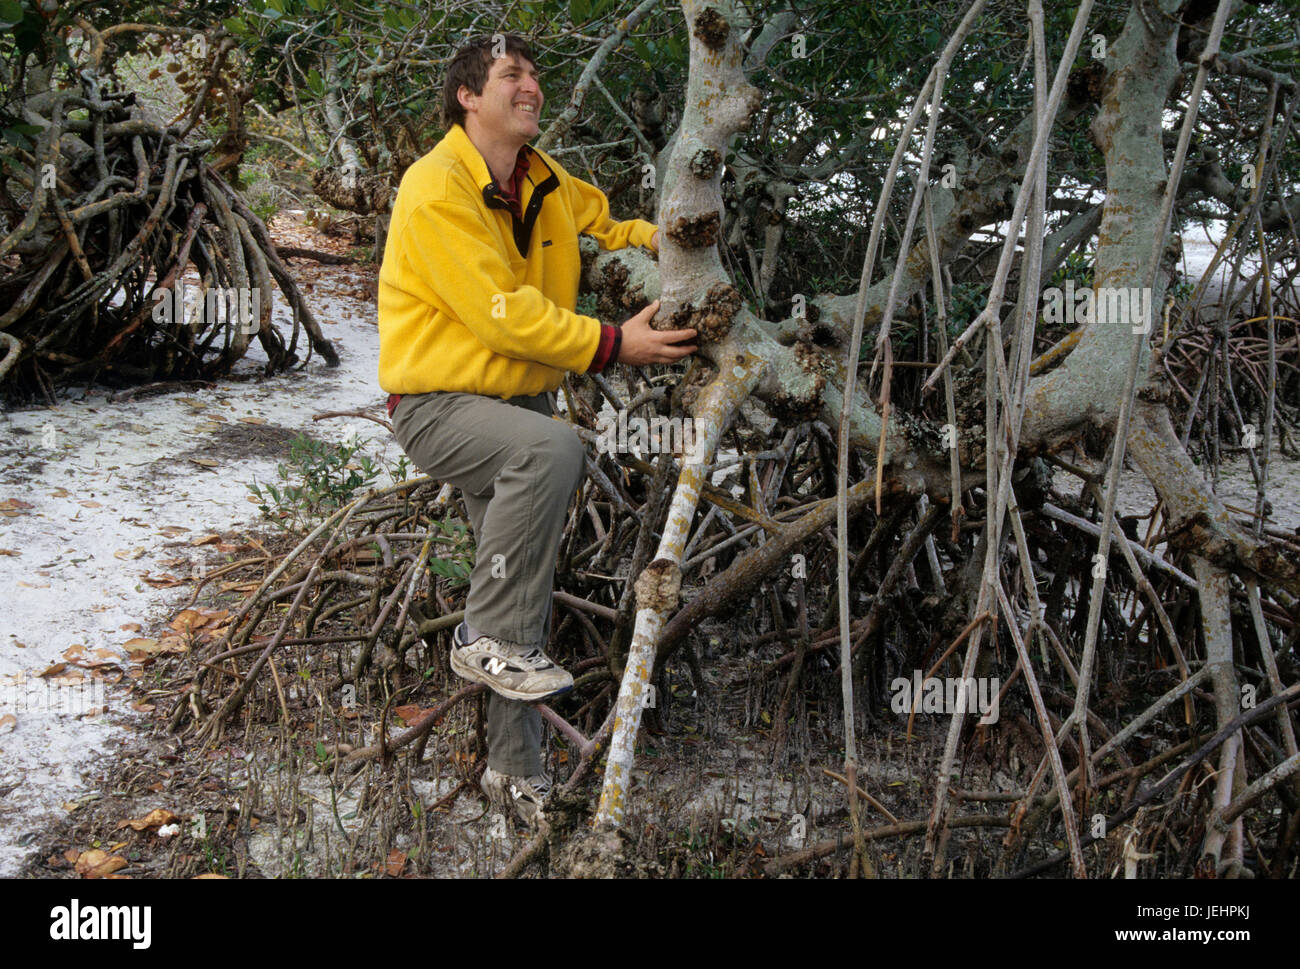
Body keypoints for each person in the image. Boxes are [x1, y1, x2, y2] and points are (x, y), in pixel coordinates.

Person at [377, 33, 697, 826]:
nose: (531, 88)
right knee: (554, 452)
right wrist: (616, 342)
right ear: (468, 95)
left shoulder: (546, 181)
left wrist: (670, 243)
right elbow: (504, 313)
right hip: (437, 403)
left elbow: (609, 223)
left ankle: (511, 773)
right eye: (510, 75)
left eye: (535, 76)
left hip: (513, 406)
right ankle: (481, 635)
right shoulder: (434, 186)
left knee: (520, 603)